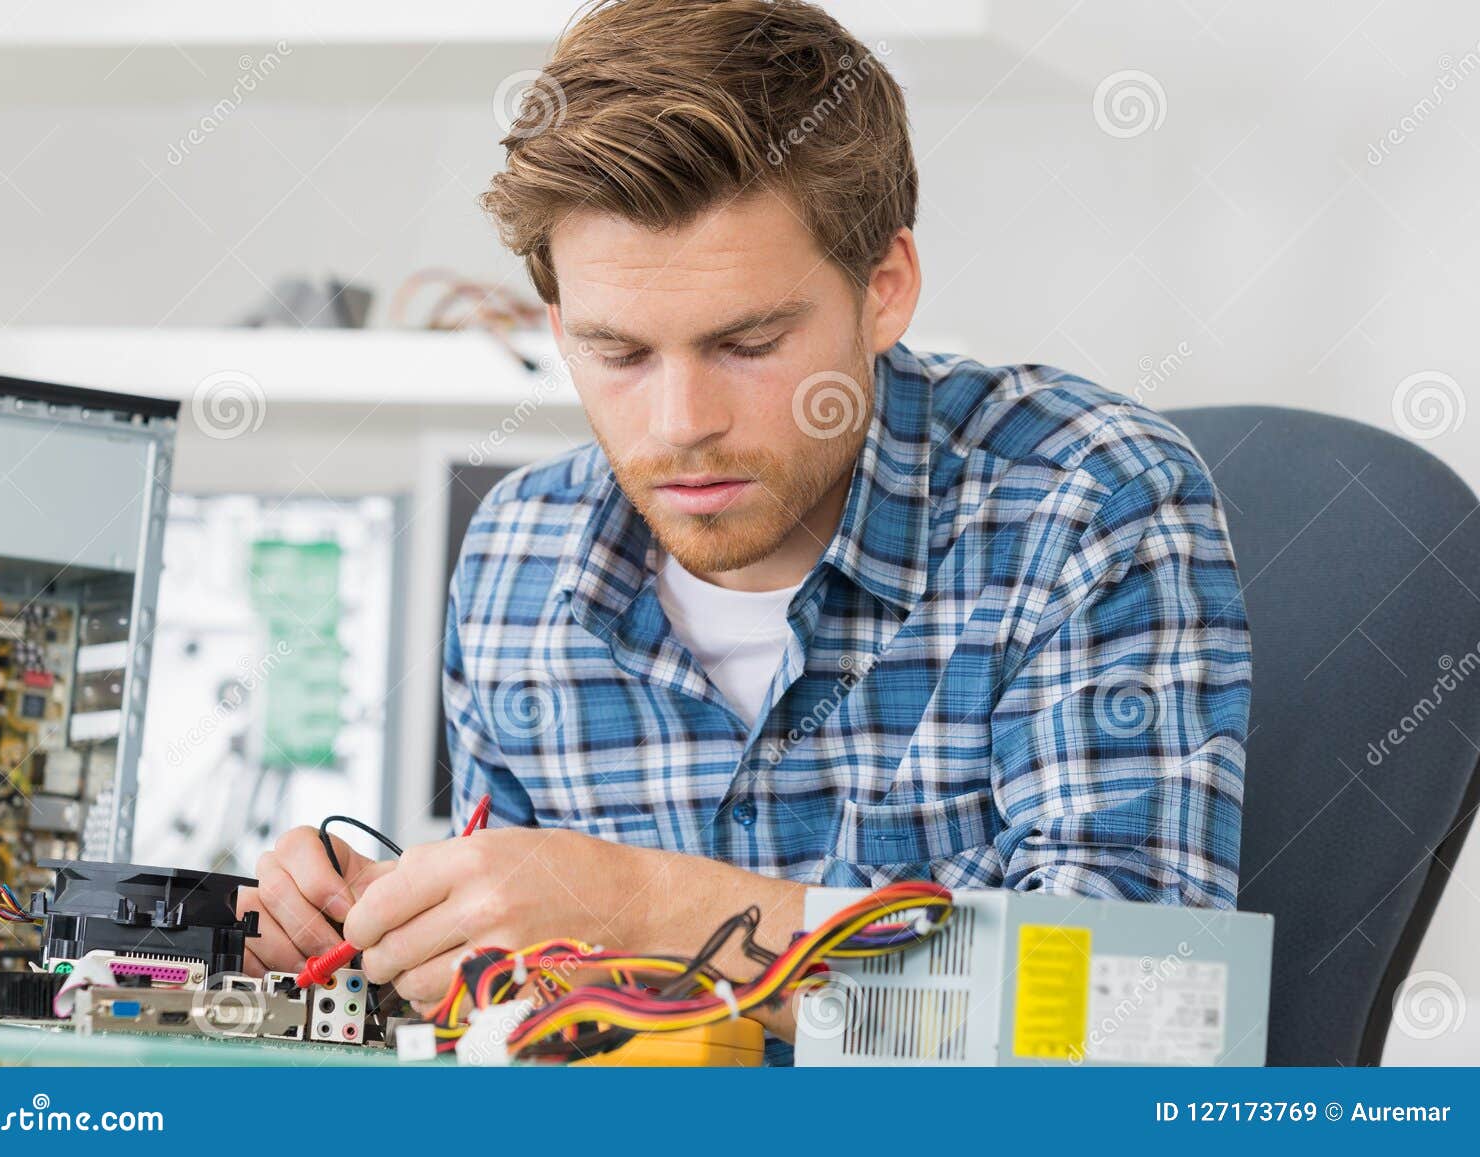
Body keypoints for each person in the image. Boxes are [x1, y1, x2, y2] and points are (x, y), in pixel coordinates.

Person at [242, 0, 1250, 1052]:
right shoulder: (517, 561)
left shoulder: (1083, 502)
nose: (679, 426)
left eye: (747, 342)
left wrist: (641, 912)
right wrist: (380, 935)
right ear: (557, 327)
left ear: (884, 288)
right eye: (617, 353)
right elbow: (515, 1024)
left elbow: (1138, 1014)